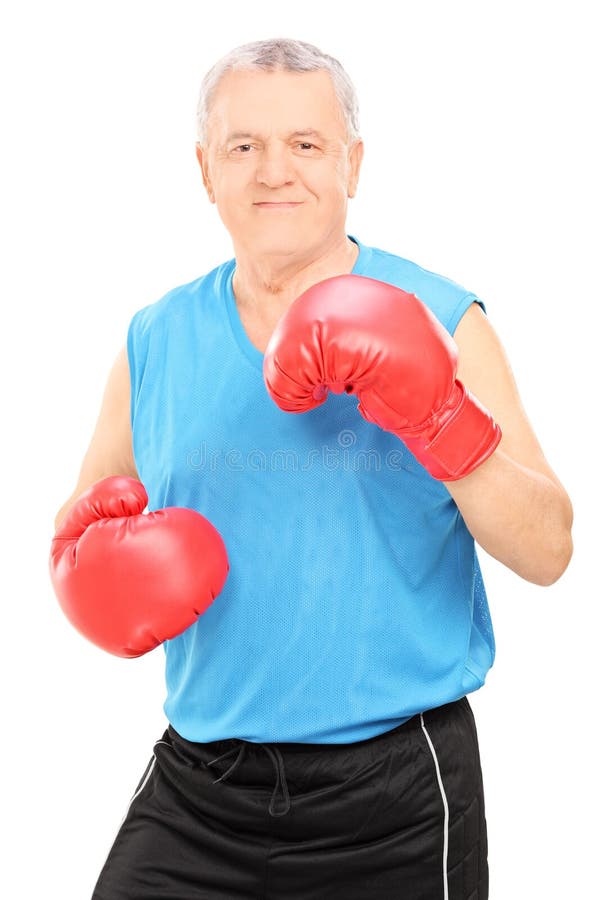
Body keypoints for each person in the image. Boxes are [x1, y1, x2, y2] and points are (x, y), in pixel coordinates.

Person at [51, 37, 573, 900]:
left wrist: (443, 416)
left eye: (305, 144)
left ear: (352, 165)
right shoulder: (155, 338)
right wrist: (96, 581)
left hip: (397, 792)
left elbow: (549, 549)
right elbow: (87, 518)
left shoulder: (441, 315)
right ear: (204, 170)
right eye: (243, 146)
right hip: (199, 788)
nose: (273, 172)